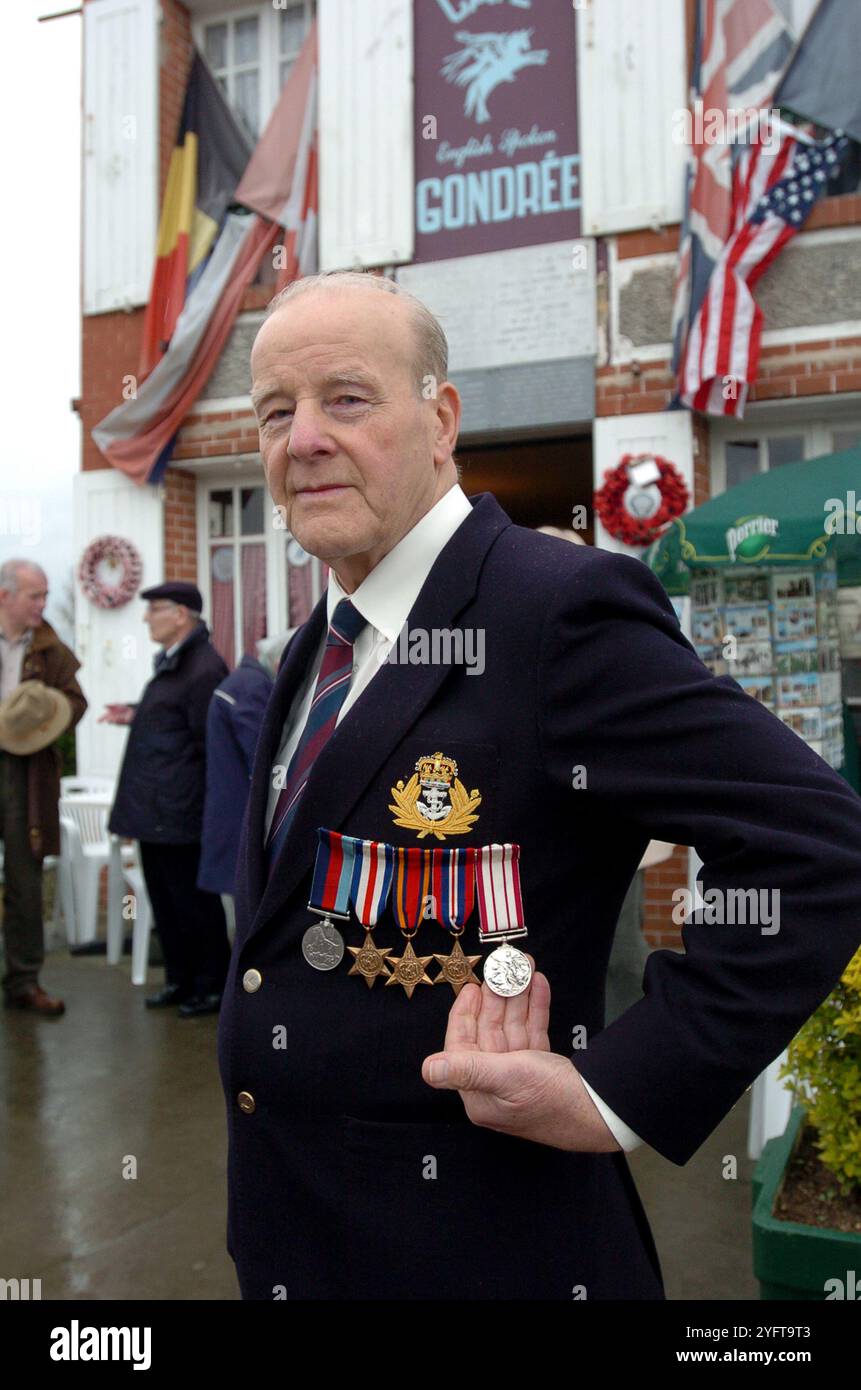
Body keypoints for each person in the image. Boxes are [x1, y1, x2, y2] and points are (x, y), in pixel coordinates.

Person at [217, 270, 861, 1301]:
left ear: (441, 418)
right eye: (273, 412)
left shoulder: (553, 610)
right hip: (301, 1245)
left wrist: (618, 1092)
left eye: (346, 398)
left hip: (481, 1256)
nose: (303, 439)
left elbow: (815, 843)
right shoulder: (316, 647)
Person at [104, 582, 231, 1017]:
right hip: (155, 811)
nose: (145, 618)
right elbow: (171, 723)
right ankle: (179, 980)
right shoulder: (173, 663)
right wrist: (135, 713)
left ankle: (211, 985)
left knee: (191, 902)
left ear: (180, 614)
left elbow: (206, 743)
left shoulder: (203, 667)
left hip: (180, 812)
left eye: (153, 609)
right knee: (163, 900)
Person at [0, 559, 87, 1016]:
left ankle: (23, 980)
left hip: (26, 772)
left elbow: (77, 701)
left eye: (44, 594)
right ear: (5, 596)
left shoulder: (52, 649)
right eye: (34, 595)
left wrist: (44, 716)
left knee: (24, 876)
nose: (42, 604)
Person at [197, 634, 292, 938]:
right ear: (281, 663)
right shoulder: (253, 687)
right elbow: (262, 758)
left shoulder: (243, 681)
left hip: (229, 814)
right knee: (249, 924)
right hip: (241, 820)